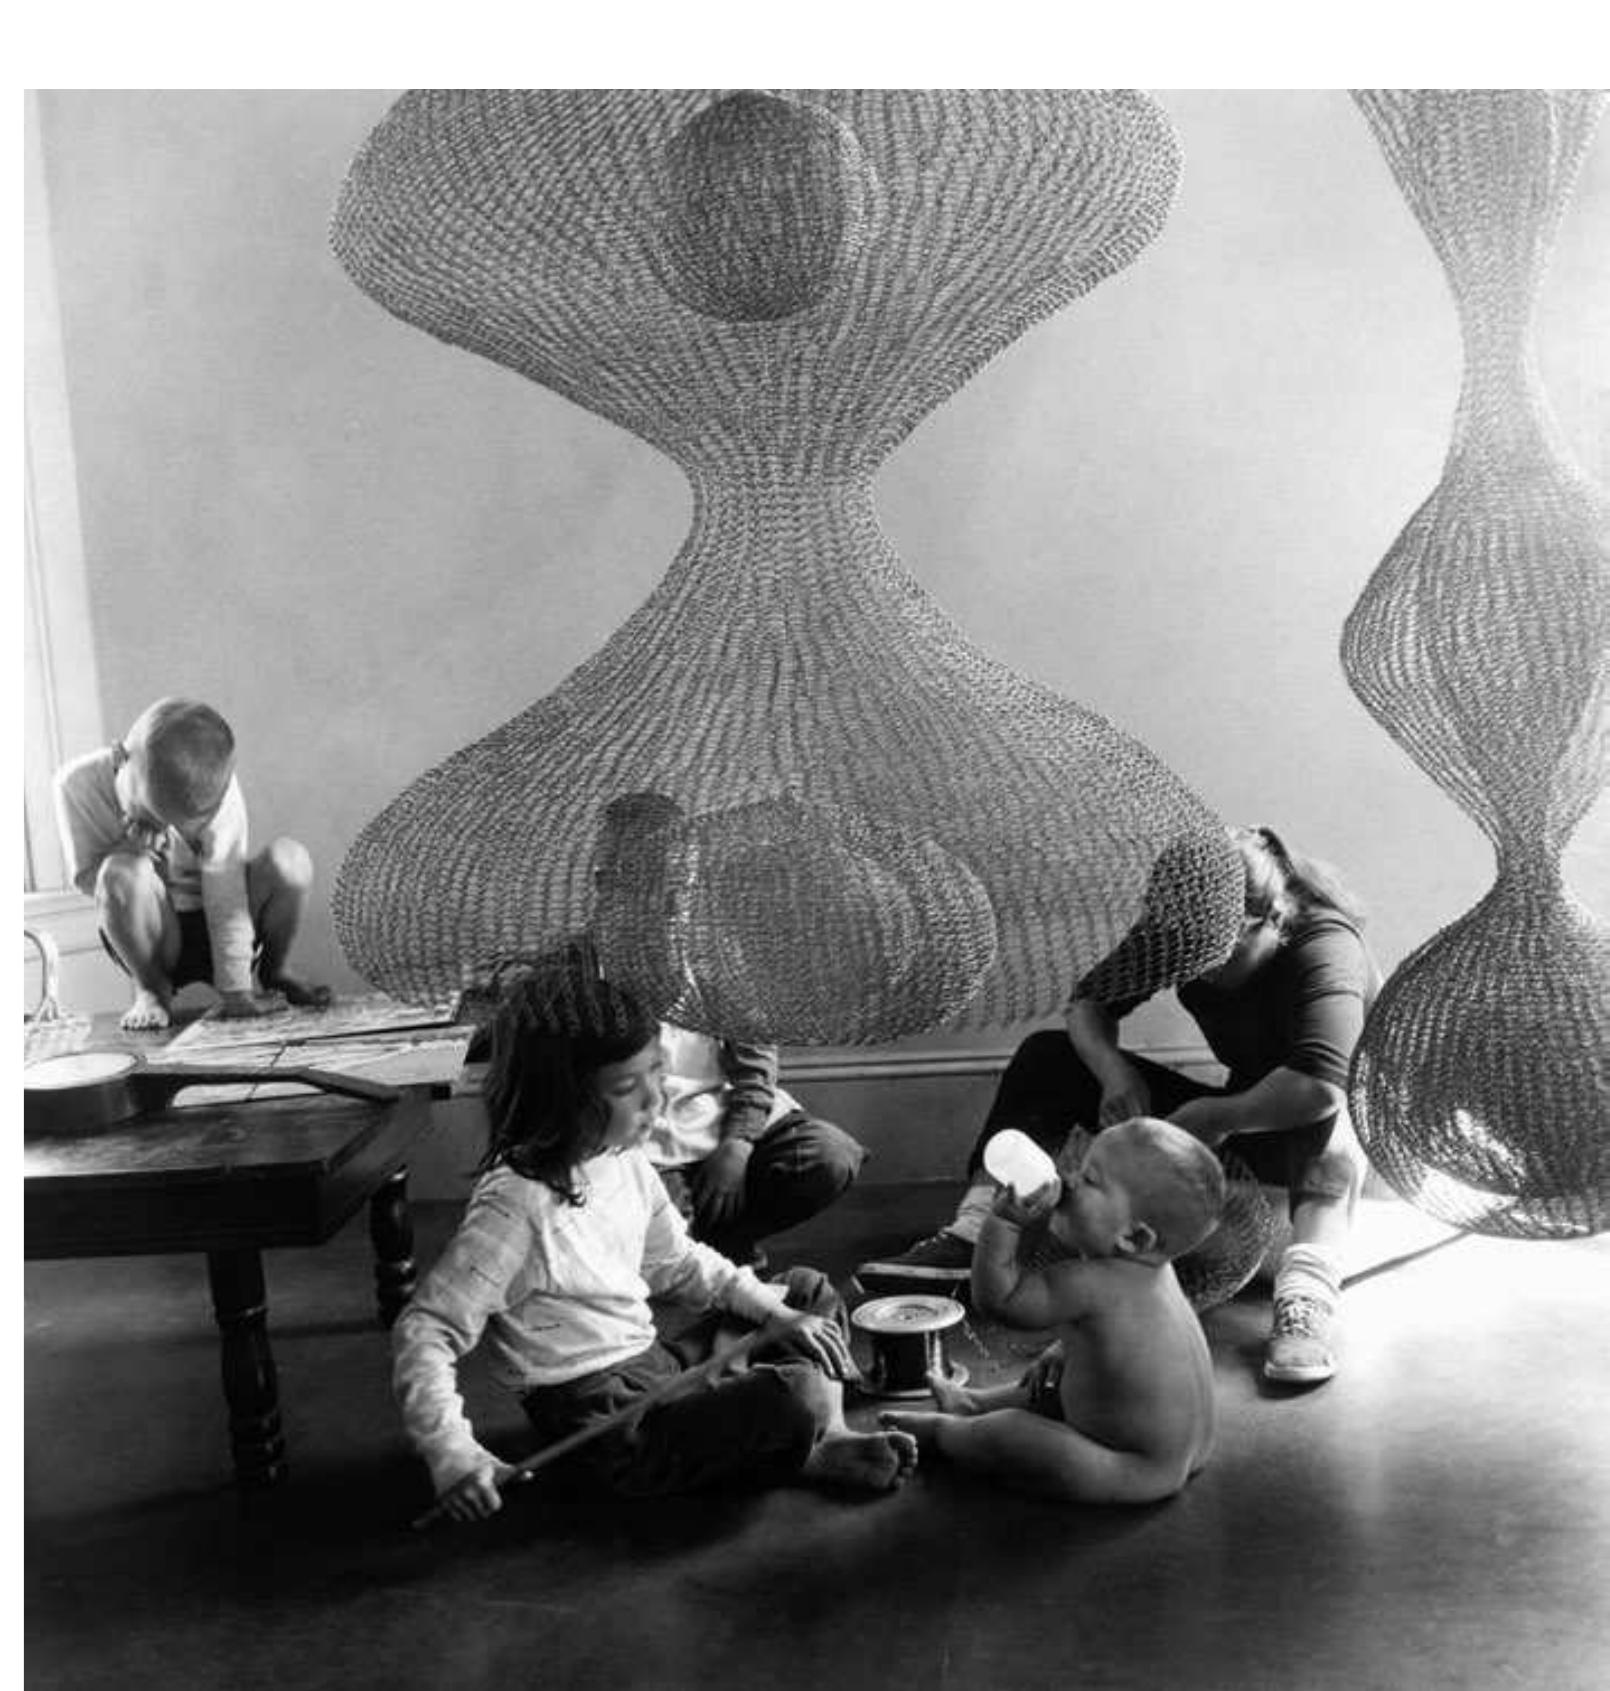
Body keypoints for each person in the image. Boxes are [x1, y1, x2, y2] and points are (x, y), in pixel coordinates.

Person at [859, 824, 1380, 1387]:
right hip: (1246, 1110)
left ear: (1269, 920)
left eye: (1217, 957)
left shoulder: (1326, 946)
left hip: (1333, 1117)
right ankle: (974, 1231)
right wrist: (1114, 1074)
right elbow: (1088, 1003)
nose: (1201, 971)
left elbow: (1321, 1083)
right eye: (1190, 957)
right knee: (1049, 1057)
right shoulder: (1181, 930)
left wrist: (1219, 1118)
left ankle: (1305, 1298)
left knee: (1330, 1116)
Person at [393, 961, 917, 1521]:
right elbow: (425, 1329)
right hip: (603, 1419)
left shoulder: (622, 1160)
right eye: (627, 1087)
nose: (656, 1100)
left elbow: (679, 1262)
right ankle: (796, 1442)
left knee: (804, 1294)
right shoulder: (516, 1205)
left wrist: (773, 1312)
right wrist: (452, 1452)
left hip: (657, 1369)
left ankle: (824, 1438)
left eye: (658, 1073)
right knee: (789, 1395)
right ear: (563, 1096)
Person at [880, 1116, 1223, 1505]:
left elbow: (1000, 1301)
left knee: (1011, 1434)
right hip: (1188, 1448)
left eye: (1090, 1179)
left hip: (1129, 1467)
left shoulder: (1091, 1281)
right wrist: (1063, 1349)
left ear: (1133, 1236)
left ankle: (946, 1435)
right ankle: (973, 1403)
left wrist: (1004, 1223)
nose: (1069, 1180)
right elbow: (1125, 1341)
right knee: (1048, 1379)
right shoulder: (1159, 1272)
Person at [52, 696, 329, 1030]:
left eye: (181, 826)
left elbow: (227, 897)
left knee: (291, 859)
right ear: (120, 757)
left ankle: (276, 970)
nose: (166, 832)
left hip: (222, 919)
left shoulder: (220, 791)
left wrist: (236, 991)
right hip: (153, 933)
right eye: (151, 817)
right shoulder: (76, 785)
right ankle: (151, 989)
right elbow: (88, 881)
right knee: (119, 871)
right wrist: (131, 848)